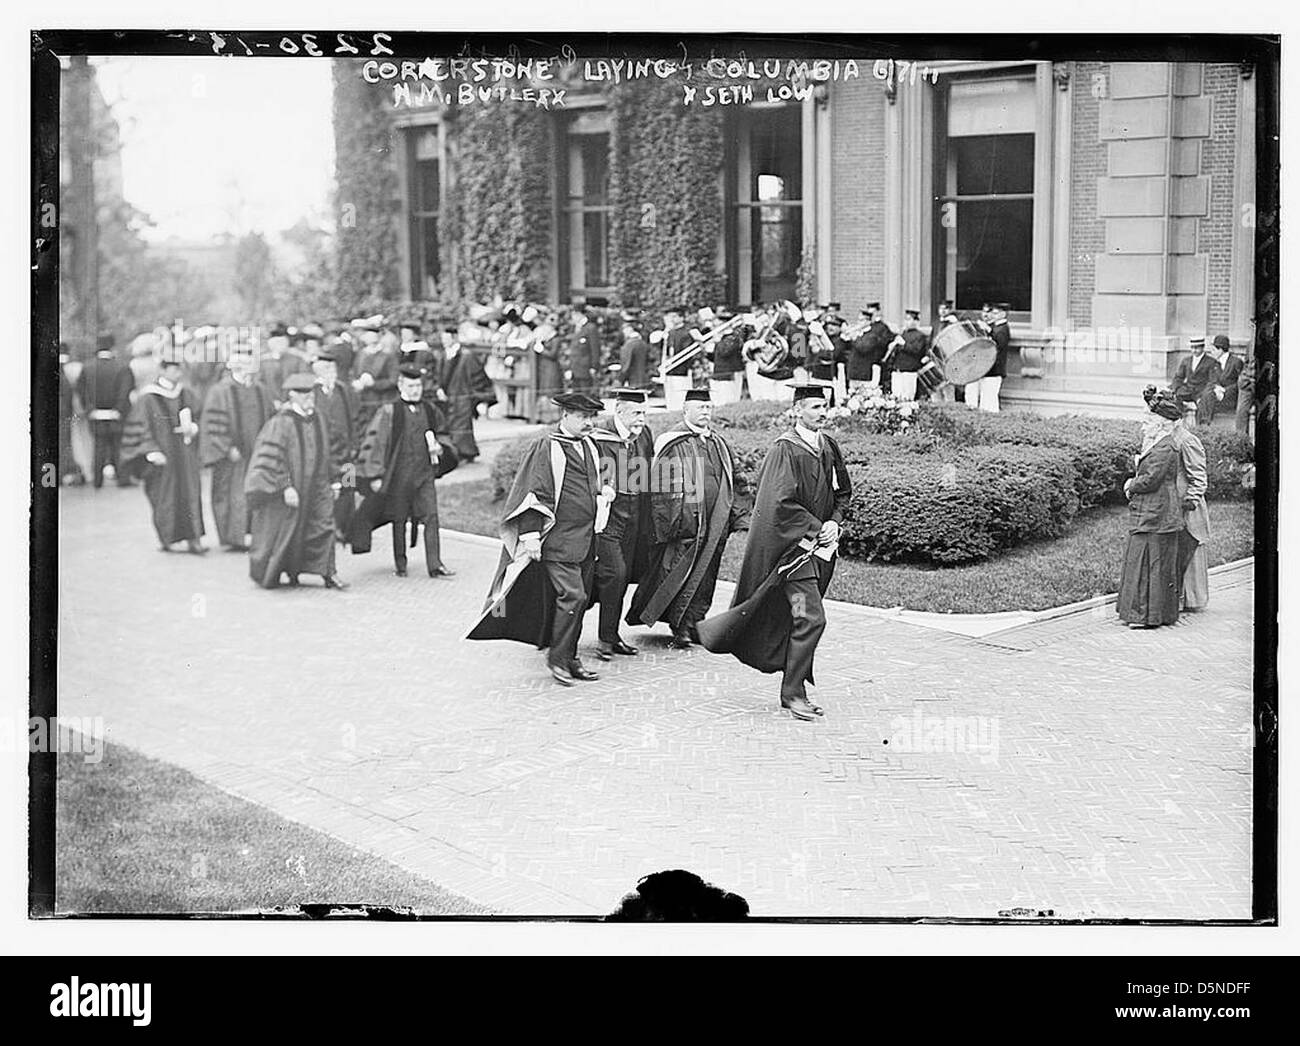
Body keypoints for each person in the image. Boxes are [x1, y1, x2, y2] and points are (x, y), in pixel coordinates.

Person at [698, 384, 851, 721]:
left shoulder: (829, 446)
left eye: (824, 406)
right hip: (793, 559)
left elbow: (843, 493)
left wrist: (835, 523)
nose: (822, 412)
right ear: (797, 410)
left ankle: (795, 688)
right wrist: (817, 527)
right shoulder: (785, 450)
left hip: (819, 553)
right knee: (810, 617)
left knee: (798, 618)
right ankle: (793, 692)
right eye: (814, 407)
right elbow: (779, 505)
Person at [467, 391, 615, 687]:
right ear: (566, 416)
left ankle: (571, 658)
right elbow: (534, 493)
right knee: (573, 596)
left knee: (580, 600)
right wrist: (531, 535)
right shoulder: (546, 447)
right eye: (583, 417)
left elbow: (598, 479)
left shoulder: (590, 445)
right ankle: (558, 659)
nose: (589, 423)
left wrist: (605, 489)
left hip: (586, 540)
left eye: (592, 417)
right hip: (557, 540)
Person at [627, 388, 749, 648]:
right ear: (686, 410)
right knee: (679, 574)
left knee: (707, 577)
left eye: (708, 407)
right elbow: (660, 486)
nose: (706, 412)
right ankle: (679, 626)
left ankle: (694, 623)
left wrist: (739, 518)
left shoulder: (718, 442)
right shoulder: (672, 441)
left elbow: (736, 479)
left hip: (716, 523)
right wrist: (672, 523)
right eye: (700, 408)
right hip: (686, 524)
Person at [244, 373, 347, 590]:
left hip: (318, 485)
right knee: (285, 531)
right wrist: (285, 486)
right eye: (303, 394)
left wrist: (337, 480)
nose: (309, 397)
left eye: (311, 393)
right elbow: (272, 458)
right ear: (292, 395)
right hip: (292, 487)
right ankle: (281, 572)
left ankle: (329, 573)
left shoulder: (318, 417)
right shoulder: (280, 422)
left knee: (325, 525)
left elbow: (331, 450)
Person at [351, 366, 457, 578]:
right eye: (411, 385)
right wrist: (375, 475)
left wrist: (441, 448)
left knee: (432, 516)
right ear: (400, 386)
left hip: (424, 474)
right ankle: (401, 564)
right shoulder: (389, 411)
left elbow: (444, 434)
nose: (416, 390)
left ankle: (435, 565)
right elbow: (376, 444)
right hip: (398, 475)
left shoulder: (430, 410)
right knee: (398, 519)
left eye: (418, 385)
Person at [119, 341, 206, 554]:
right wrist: (150, 450)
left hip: (184, 455)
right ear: (163, 369)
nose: (178, 374)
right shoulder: (148, 397)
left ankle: (194, 538)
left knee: (190, 493)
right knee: (163, 496)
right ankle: (167, 538)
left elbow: (200, 416)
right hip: (161, 456)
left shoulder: (186, 393)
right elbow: (140, 427)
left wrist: (194, 428)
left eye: (180, 369)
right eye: (174, 369)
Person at [589, 389, 655, 660]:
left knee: (624, 576)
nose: (641, 419)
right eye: (636, 413)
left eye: (644, 413)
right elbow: (589, 472)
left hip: (634, 518)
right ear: (619, 411)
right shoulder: (599, 436)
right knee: (614, 574)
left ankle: (612, 635)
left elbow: (647, 470)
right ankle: (604, 638)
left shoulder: (644, 434)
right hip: (607, 520)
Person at [1116, 389, 1184, 629]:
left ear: (1162, 424)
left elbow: (1150, 480)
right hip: (1155, 509)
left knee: (1150, 560)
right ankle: (1148, 614)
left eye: (1148, 422)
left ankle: (1146, 615)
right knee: (1150, 560)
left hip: (1157, 512)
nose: (1144, 427)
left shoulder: (1165, 447)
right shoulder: (1161, 443)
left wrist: (1130, 484)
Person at [199, 344, 273, 551]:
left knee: (253, 490)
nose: (251, 365)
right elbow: (212, 423)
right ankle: (233, 537)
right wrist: (226, 447)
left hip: (257, 451)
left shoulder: (260, 389)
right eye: (246, 361)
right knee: (231, 494)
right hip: (232, 453)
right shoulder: (220, 390)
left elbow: (270, 418)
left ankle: (251, 533)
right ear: (235, 365)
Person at [311, 344, 362, 542]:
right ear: (317, 370)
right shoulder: (312, 392)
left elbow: (354, 418)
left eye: (332, 368)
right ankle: (326, 528)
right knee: (326, 489)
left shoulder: (343, 390)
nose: (330, 372)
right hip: (323, 452)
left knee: (348, 487)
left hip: (346, 451)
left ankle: (345, 528)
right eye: (325, 368)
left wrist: (355, 444)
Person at [1166, 397, 1212, 613]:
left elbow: (1199, 477)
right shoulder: (1169, 438)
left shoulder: (1187, 440)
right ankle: (1181, 598)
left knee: (1191, 550)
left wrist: (1190, 499)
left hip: (1188, 507)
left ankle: (1192, 600)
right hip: (1175, 506)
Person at [75, 333, 135, 488]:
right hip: (116, 414)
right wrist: (119, 410)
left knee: (99, 446)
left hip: (96, 414)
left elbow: (81, 391)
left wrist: (90, 410)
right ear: (112, 346)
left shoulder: (87, 367)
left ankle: (97, 481)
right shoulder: (123, 367)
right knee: (118, 446)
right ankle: (122, 479)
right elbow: (125, 390)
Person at [439, 324, 496, 462]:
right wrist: (439, 388)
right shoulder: (444, 355)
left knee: (461, 424)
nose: (444, 342)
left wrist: (477, 395)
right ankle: (461, 452)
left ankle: (465, 452)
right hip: (448, 394)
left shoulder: (467, 355)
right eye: (443, 339)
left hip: (463, 393)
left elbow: (478, 376)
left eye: (446, 338)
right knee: (452, 423)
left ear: (454, 338)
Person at [351, 321, 399, 430]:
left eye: (374, 332)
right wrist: (355, 383)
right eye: (368, 333)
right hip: (364, 403)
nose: (370, 336)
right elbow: (354, 374)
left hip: (382, 403)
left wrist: (374, 384)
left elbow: (393, 380)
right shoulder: (361, 354)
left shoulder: (388, 356)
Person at [965, 303, 1011, 411]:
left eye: (996, 313)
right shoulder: (995, 327)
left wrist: (989, 330)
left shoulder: (1003, 328)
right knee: (985, 400)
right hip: (988, 370)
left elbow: (998, 343)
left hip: (995, 370)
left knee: (989, 402)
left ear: (1003, 314)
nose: (993, 316)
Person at [1170, 335, 1221, 427]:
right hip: (1188, 390)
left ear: (1202, 348)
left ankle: (1201, 427)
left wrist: (1204, 394)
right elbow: (1178, 377)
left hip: (1201, 391)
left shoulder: (1211, 362)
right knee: (1174, 396)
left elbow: (1212, 381)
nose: (1194, 350)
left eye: (1197, 348)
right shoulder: (1186, 361)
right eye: (1192, 348)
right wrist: (1176, 388)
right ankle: (1178, 423)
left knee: (1204, 403)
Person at [846, 302, 893, 394]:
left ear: (867, 321)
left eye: (861, 320)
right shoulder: (860, 334)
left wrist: (854, 338)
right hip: (854, 373)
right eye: (858, 320)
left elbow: (863, 348)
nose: (858, 323)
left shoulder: (872, 335)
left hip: (864, 373)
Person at [659, 307, 698, 412]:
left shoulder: (687, 332)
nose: (672, 319)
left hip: (681, 369)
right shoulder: (670, 333)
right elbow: (665, 350)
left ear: (682, 318)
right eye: (671, 317)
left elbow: (686, 351)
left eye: (675, 316)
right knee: (670, 396)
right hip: (669, 369)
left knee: (680, 395)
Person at [885, 309, 929, 401]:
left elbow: (917, 350)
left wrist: (903, 344)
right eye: (905, 319)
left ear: (916, 321)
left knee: (907, 398)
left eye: (909, 319)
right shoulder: (903, 333)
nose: (906, 322)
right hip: (897, 370)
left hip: (909, 371)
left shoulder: (920, 335)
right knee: (895, 398)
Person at [708, 306, 745, 405]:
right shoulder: (721, 337)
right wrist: (706, 350)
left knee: (729, 402)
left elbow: (725, 352)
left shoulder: (733, 337)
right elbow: (714, 358)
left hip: (730, 374)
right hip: (719, 373)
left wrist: (717, 341)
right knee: (718, 403)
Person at [565, 304, 601, 395]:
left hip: (586, 369)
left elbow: (595, 349)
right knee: (576, 397)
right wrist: (570, 368)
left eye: (574, 314)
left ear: (579, 314)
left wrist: (594, 366)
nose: (572, 317)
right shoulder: (575, 328)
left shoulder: (590, 328)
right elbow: (573, 350)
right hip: (575, 369)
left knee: (586, 396)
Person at [1207, 334, 1243, 424]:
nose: (1212, 353)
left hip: (1231, 397)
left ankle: (1205, 425)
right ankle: (1205, 425)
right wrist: (1217, 388)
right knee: (1205, 396)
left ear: (1220, 350)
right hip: (1217, 396)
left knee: (1207, 398)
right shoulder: (1215, 363)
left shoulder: (1236, 362)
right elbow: (1212, 380)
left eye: (1213, 350)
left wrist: (1224, 391)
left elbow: (1240, 383)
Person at [616, 312, 650, 390]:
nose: (623, 331)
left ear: (630, 329)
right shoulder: (643, 343)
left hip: (632, 381)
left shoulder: (629, 345)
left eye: (624, 329)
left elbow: (626, 365)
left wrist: (620, 380)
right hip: (644, 380)